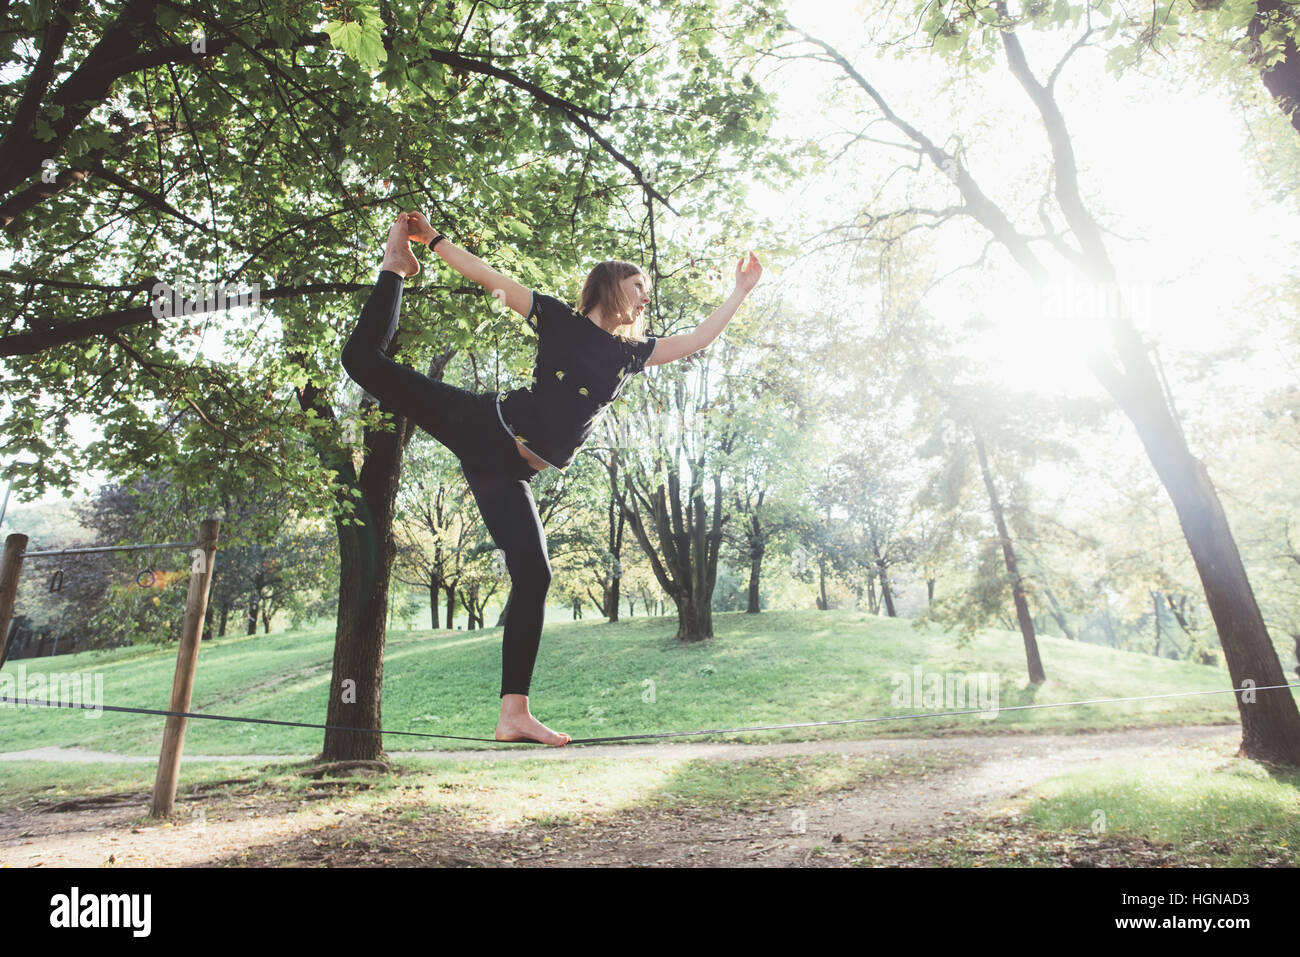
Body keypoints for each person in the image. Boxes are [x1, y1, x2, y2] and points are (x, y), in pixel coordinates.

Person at [342, 211, 762, 745]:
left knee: (534, 576)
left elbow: (697, 340)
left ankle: (512, 714)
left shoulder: (629, 354)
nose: (645, 300)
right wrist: (437, 240)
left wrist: (740, 291)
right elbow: (488, 277)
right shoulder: (558, 320)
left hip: (509, 471)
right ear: (611, 285)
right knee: (360, 359)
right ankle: (394, 267)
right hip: (483, 427)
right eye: (639, 287)